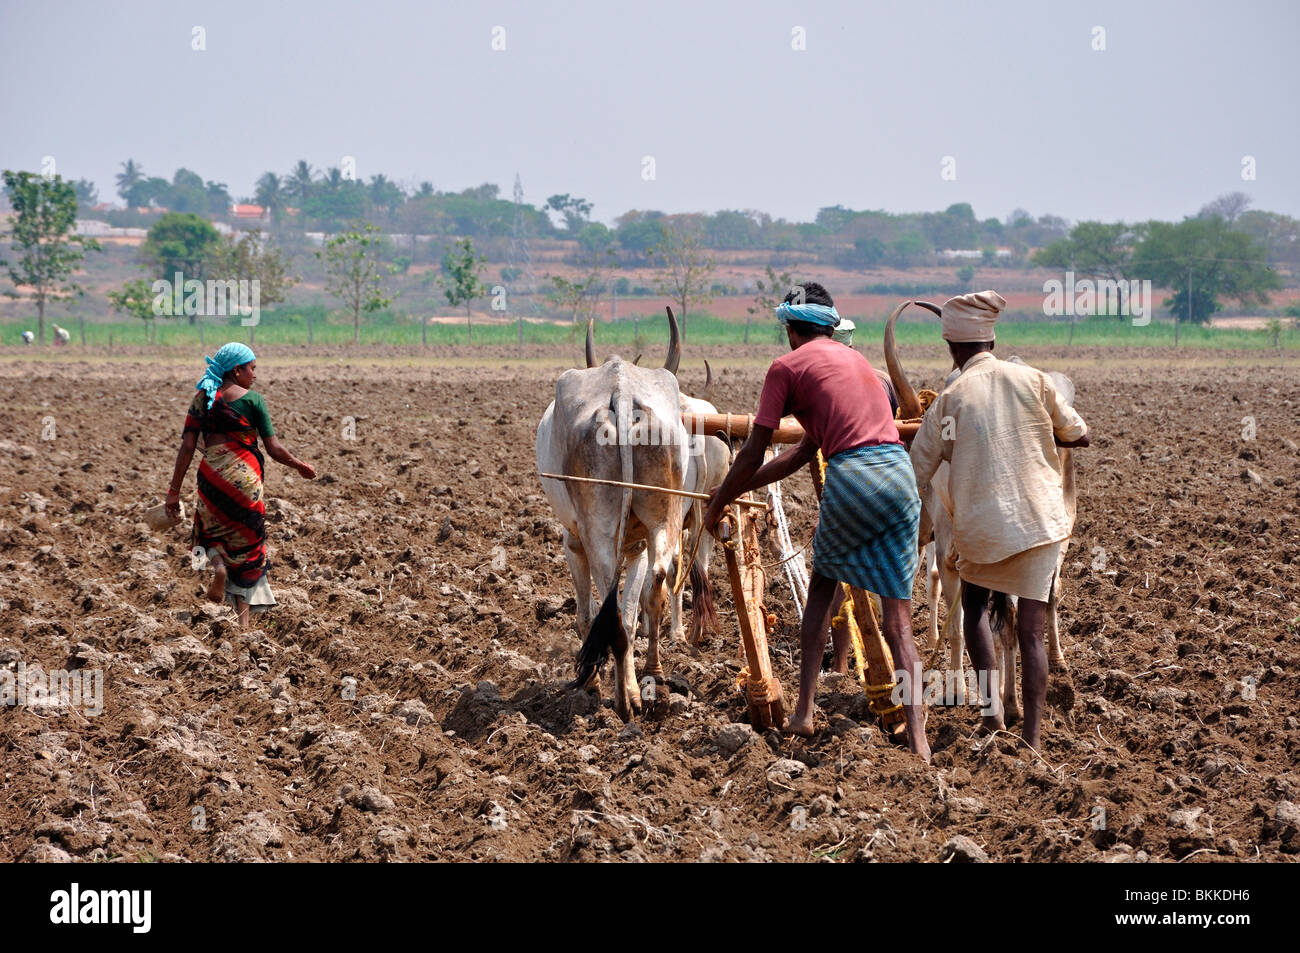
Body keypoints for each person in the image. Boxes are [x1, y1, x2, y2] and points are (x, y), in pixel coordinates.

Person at [704, 282, 929, 759]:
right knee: (899, 624)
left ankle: (804, 712)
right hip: (899, 477)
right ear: (829, 326)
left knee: (821, 593)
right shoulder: (859, 365)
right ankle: (920, 740)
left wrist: (718, 500)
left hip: (853, 477)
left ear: (790, 330)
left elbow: (752, 452)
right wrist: (734, 491)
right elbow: (802, 452)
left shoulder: (785, 368)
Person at [909, 291, 1090, 752]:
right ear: (992, 338)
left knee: (975, 616)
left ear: (952, 346)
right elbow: (1078, 433)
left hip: (982, 534)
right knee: (1031, 632)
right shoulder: (1035, 380)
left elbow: (916, 472)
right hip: (1040, 529)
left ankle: (992, 718)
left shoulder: (948, 399)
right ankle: (1031, 740)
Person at [164, 343, 316, 627]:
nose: (255, 375)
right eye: (252, 369)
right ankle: (243, 623)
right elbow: (273, 448)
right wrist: (299, 466)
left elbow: (186, 447)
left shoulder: (203, 399)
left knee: (207, 534)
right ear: (237, 370)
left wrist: (173, 491)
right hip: (246, 481)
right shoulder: (253, 401)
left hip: (212, 478)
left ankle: (218, 567)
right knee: (249, 548)